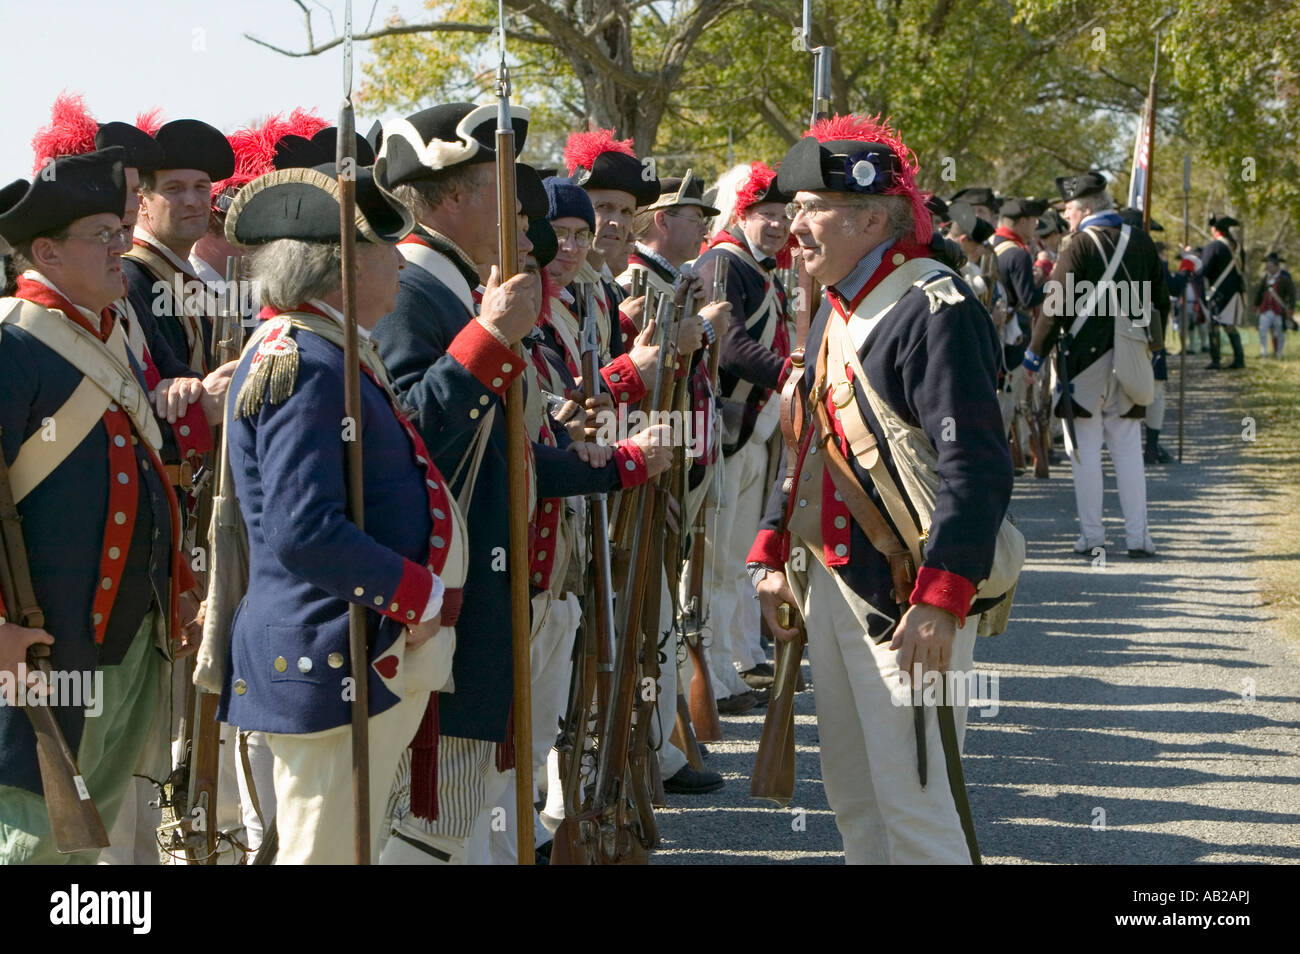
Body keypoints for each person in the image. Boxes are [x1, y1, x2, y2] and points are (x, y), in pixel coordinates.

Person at [369, 102, 661, 863]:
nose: (526, 223)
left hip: (490, 583)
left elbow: (511, 454)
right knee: (429, 817)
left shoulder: (462, 293)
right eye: (500, 188)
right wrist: (488, 337)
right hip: (440, 591)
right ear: (457, 195)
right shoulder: (411, 294)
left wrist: (614, 461)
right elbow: (405, 449)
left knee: (468, 807)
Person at [747, 115, 1013, 864]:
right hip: (832, 583)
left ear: (870, 217)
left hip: (904, 594)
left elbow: (978, 466)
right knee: (857, 804)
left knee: (918, 814)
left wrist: (941, 597)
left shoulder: (933, 305)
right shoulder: (838, 305)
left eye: (810, 210)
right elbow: (807, 442)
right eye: (793, 210)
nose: (794, 227)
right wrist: (771, 549)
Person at [217, 160, 454, 864]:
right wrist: (419, 595)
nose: (401, 269)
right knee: (324, 853)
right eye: (387, 251)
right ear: (341, 267)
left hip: (343, 649)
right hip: (326, 654)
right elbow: (304, 532)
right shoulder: (308, 362)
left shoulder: (327, 352)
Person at [0, 148, 199, 863]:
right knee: (34, 844)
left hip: (124, 641)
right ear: (45, 250)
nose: (121, 247)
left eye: (119, 232)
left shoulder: (109, 335)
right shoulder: (14, 343)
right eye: (100, 235)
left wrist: (173, 590)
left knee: (91, 840)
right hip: (43, 652)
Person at [1024, 170, 1168, 558]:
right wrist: (1153, 348)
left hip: (1083, 364)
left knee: (1084, 451)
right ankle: (1139, 537)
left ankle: (1093, 537)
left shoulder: (1078, 246)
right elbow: (1160, 300)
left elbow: (1055, 307)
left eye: (1069, 209)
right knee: (1128, 450)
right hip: (1131, 358)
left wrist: (1033, 356)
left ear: (1085, 209)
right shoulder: (1141, 241)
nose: (1067, 216)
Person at [694, 161, 795, 701]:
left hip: (750, 432)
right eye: (767, 213)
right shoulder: (723, 263)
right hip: (726, 433)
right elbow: (729, 346)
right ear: (742, 213)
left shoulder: (758, 268)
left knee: (735, 562)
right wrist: (789, 373)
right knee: (716, 564)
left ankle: (731, 663)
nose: (778, 224)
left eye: (783, 214)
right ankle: (709, 676)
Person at [1200, 215, 1246, 370]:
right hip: (1235, 292)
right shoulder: (1238, 248)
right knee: (1230, 326)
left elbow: (1204, 269)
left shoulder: (1214, 247)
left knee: (1214, 326)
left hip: (1218, 293)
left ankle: (1216, 360)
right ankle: (1239, 359)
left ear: (1215, 230)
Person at [1254, 252, 1294, 358]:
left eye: (1270, 265)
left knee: (1279, 331)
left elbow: (1291, 294)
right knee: (1262, 329)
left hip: (1279, 309)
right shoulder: (1265, 278)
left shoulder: (1285, 277)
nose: (1268, 268)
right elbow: (1259, 292)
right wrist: (1256, 305)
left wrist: (1290, 308)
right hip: (1266, 308)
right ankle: (1264, 352)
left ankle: (1279, 353)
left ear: (1276, 266)